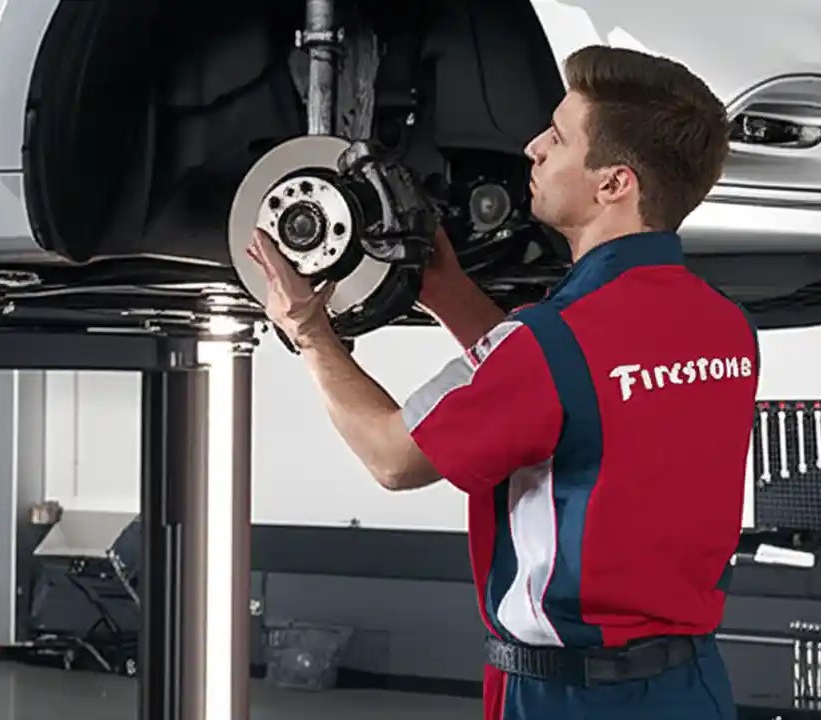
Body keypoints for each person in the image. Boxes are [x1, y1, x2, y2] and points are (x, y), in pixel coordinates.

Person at [245, 44, 759, 720]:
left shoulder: (551, 343)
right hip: (693, 688)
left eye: (559, 136)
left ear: (615, 183)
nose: (534, 147)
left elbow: (392, 457)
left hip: (568, 698)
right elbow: (573, 396)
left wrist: (309, 331)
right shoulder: (724, 328)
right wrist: (452, 295)